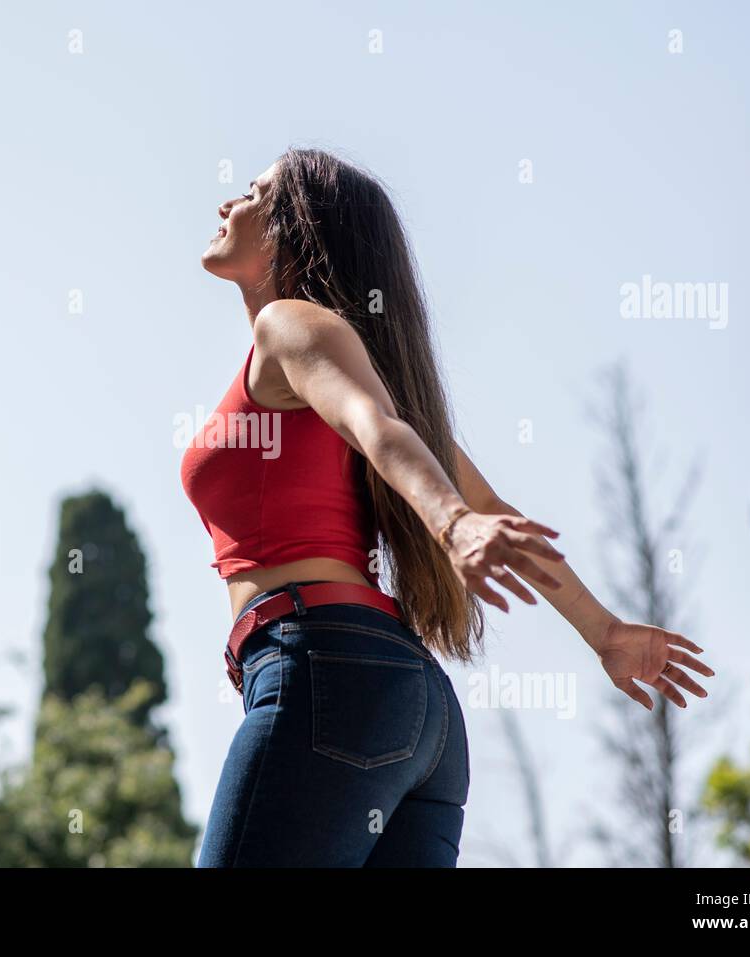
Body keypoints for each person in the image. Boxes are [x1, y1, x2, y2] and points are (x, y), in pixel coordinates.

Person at [181, 148, 714, 867]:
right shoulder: (341, 356)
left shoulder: (289, 326)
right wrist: (605, 632)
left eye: (252, 192)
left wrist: (454, 524)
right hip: (411, 711)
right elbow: (488, 498)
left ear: (292, 227)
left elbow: (380, 429)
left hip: (322, 673)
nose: (227, 205)